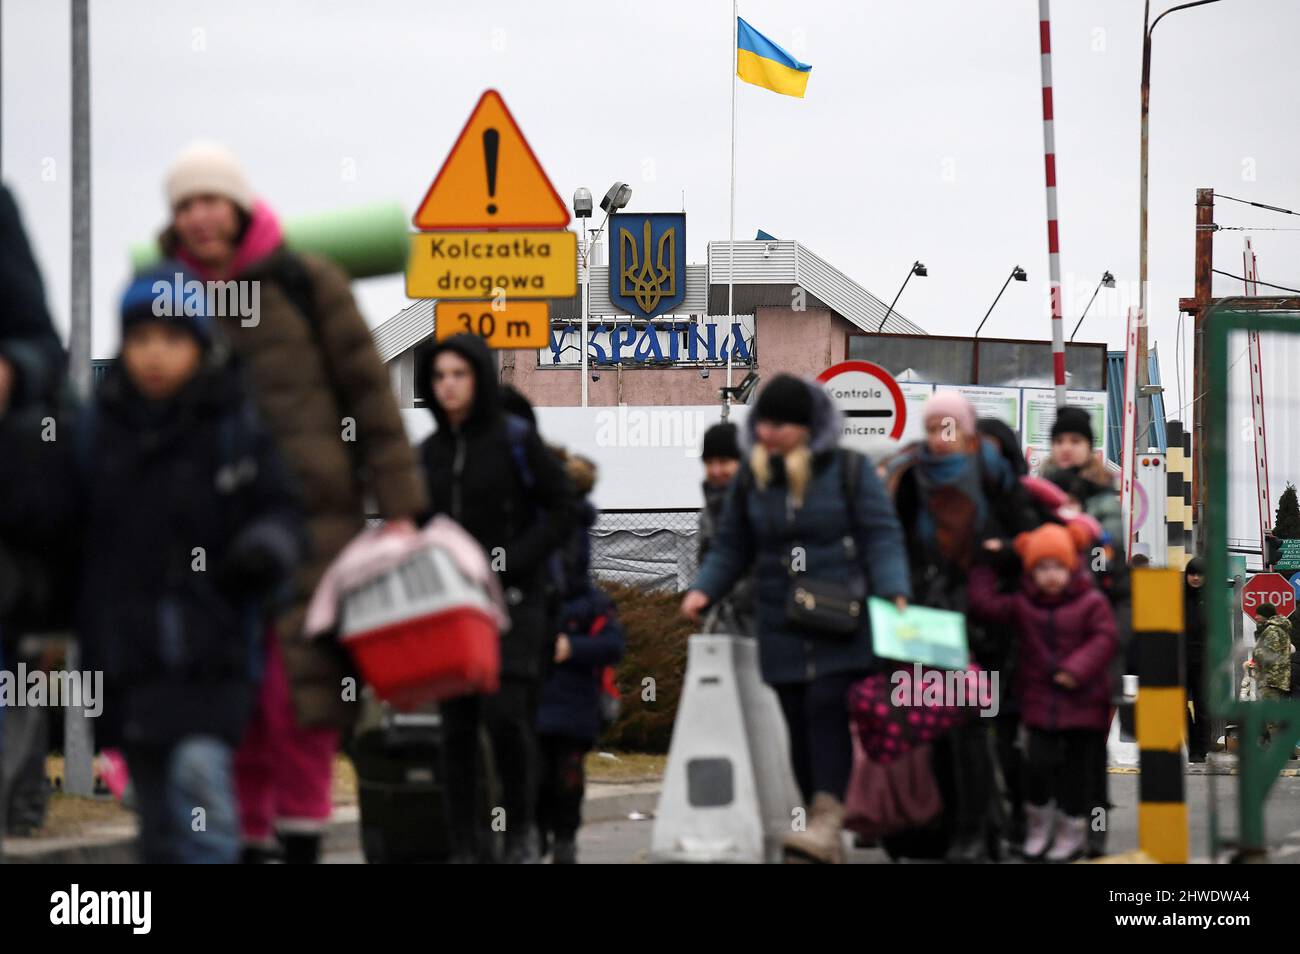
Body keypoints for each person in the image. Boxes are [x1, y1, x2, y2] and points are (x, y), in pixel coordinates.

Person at [157, 142, 427, 862]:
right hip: (207, 540)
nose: (200, 216)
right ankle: (248, 844)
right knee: (232, 709)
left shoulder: (308, 283)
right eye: (185, 204)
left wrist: (401, 504)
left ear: (238, 205)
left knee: (300, 701)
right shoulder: (164, 299)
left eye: (211, 199)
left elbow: (371, 395)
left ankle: (301, 839)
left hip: (315, 528)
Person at [76, 271, 303, 862]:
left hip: (213, 653)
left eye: (172, 338)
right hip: (127, 661)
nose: (155, 353)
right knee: (154, 817)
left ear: (200, 345)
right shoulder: (97, 430)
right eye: (141, 337)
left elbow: (282, 509)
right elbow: (63, 525)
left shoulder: (234, 428)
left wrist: (266, 547)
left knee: (199, 792)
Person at [681, 374, 911, 864]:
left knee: (826, 704)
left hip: (838, 617)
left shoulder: (848, 470)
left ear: (806, 427)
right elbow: (732, 546)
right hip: (780, 619)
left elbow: (881, 533)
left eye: (780, 424)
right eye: (763, 421)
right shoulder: (754, 477)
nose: (768, 432)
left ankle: (828, 820)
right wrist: (704, 588)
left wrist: (893, 587)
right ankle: (816, 815)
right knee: (795, 717)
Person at [415, 333, 574, 863]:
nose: (449, 386)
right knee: (455, 729)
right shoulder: (429, 454)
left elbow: (562, 509)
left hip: (513, 603)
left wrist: (511, 558)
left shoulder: (512, 440)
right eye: (439, 377)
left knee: (505, 714)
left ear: (479, 378)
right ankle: (468, 843)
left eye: (459, 374)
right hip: (452, 609)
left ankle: (522, 831)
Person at [886, 392, 1020, 862]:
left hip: (981, 615)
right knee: (930, 724)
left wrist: (999, 559)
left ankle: (976, 830)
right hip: (925, 613)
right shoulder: (908, 474)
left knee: (970, 726)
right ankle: (936, 829)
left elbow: (1018, 533)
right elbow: (892, 541)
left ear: (965, 427)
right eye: (932, 427)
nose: (940, 437)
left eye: (949, 427)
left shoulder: (990, 470)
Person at [968, 523, 1117, 863]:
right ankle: (1040, 826)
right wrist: (982, 564)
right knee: (1038, 766)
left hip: (1081, 702)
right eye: (1042, 568)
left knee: (1076, 773)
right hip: (1040, 704)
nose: (1050, 576)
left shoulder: (1091, 603)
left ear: (1071, 567)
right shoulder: (1023, 605)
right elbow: (986, 605)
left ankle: (1070, 831)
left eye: (1057, 568)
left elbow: (1104, 638)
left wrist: (1075, 670)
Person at [535, 581, 625, 864]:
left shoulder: (593, 605)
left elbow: (613, 645)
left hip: (574, 708)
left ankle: (564, 838)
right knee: (534, 775)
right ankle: (535, 834)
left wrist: (573, 647)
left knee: (567, 776)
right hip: (533, 704)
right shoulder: (528, 595)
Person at [696, 421, 755, 636]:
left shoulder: (765, 504)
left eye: (724, 461)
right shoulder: (708, 515)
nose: (716, 470)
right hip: (723, 625)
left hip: (766, 624)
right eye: (709, 462)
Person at [1248, 602, 1292, 744]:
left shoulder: (1272, 630)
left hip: (1271, 678)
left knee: (1272, 718)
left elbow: (1269, 653)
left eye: (1258, 614)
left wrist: (1255, 654)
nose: (1256, 617)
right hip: (1277, 678)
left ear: (1265, 615)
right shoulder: (1278, 629)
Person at [1183, 558, 1209, 761]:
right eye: (1192, 573)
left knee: (1203, 708)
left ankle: (1201, 750)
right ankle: (1190, 746)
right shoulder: (1176, 597)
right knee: (1179, 707)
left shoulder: (1211, 600)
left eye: (1199, 574)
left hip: (1204, 662)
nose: (1196, 578)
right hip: (1180, 661)